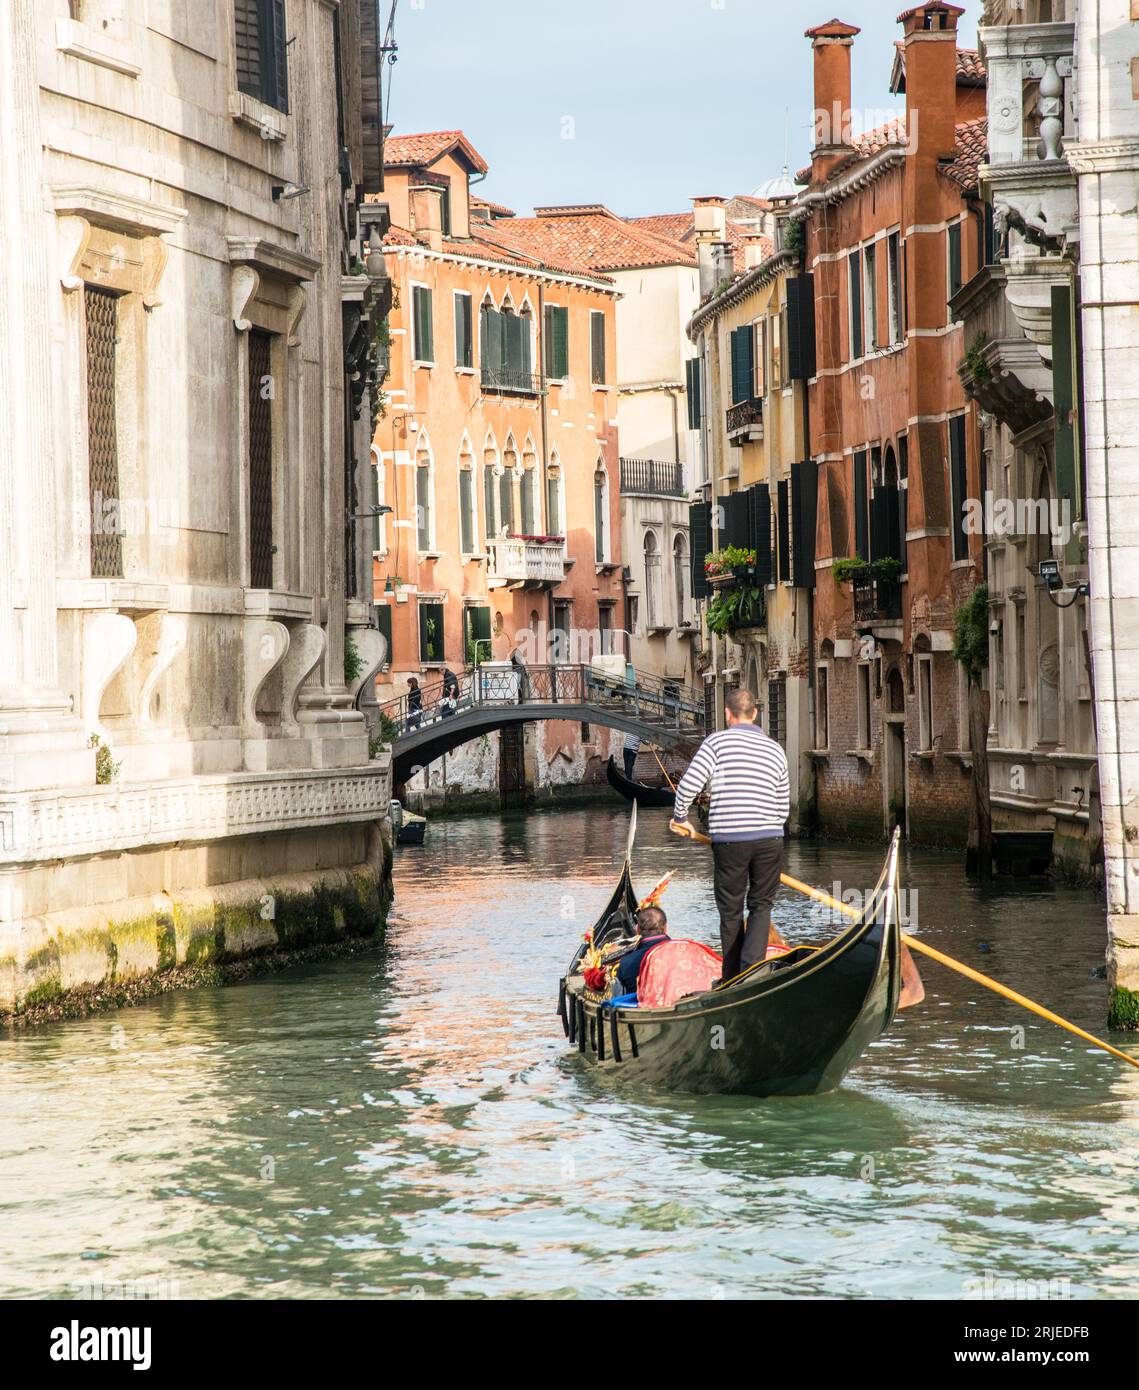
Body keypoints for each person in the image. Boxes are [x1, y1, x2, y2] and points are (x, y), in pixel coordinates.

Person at [670, 688, 789, 984]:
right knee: (761, 906)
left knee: (731, 909)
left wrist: (681, 816)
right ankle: (752, 975)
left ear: (727, 713)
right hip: (769, 840)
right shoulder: (775, 749)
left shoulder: (716, 743)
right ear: (756, 714)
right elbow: (783, 804)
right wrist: (769, 829)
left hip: (730, 841)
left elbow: (688, 785)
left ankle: (733, 978)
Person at [615, 906, 670, 996]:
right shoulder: (684, 953)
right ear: (666, 928)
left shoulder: (626, 962)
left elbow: (619, 996)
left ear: (637, 929)